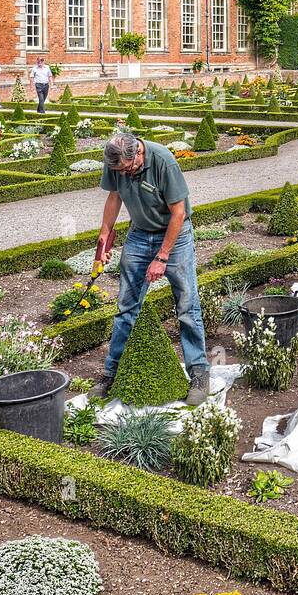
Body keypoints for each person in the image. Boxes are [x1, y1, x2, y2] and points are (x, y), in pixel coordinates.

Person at [92, 131, 210, 405]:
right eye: (119, 170)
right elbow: (114, 198)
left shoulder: (163, 161)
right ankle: (112, 372)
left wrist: (162, 256)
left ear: (139, 154)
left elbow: (179, 213)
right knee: (126, 306)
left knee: (187, 304)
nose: (125, 173)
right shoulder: (116, 160)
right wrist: (105, 234)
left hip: (174, 235)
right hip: (139, 233)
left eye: (128, 168)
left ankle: (199, 372)